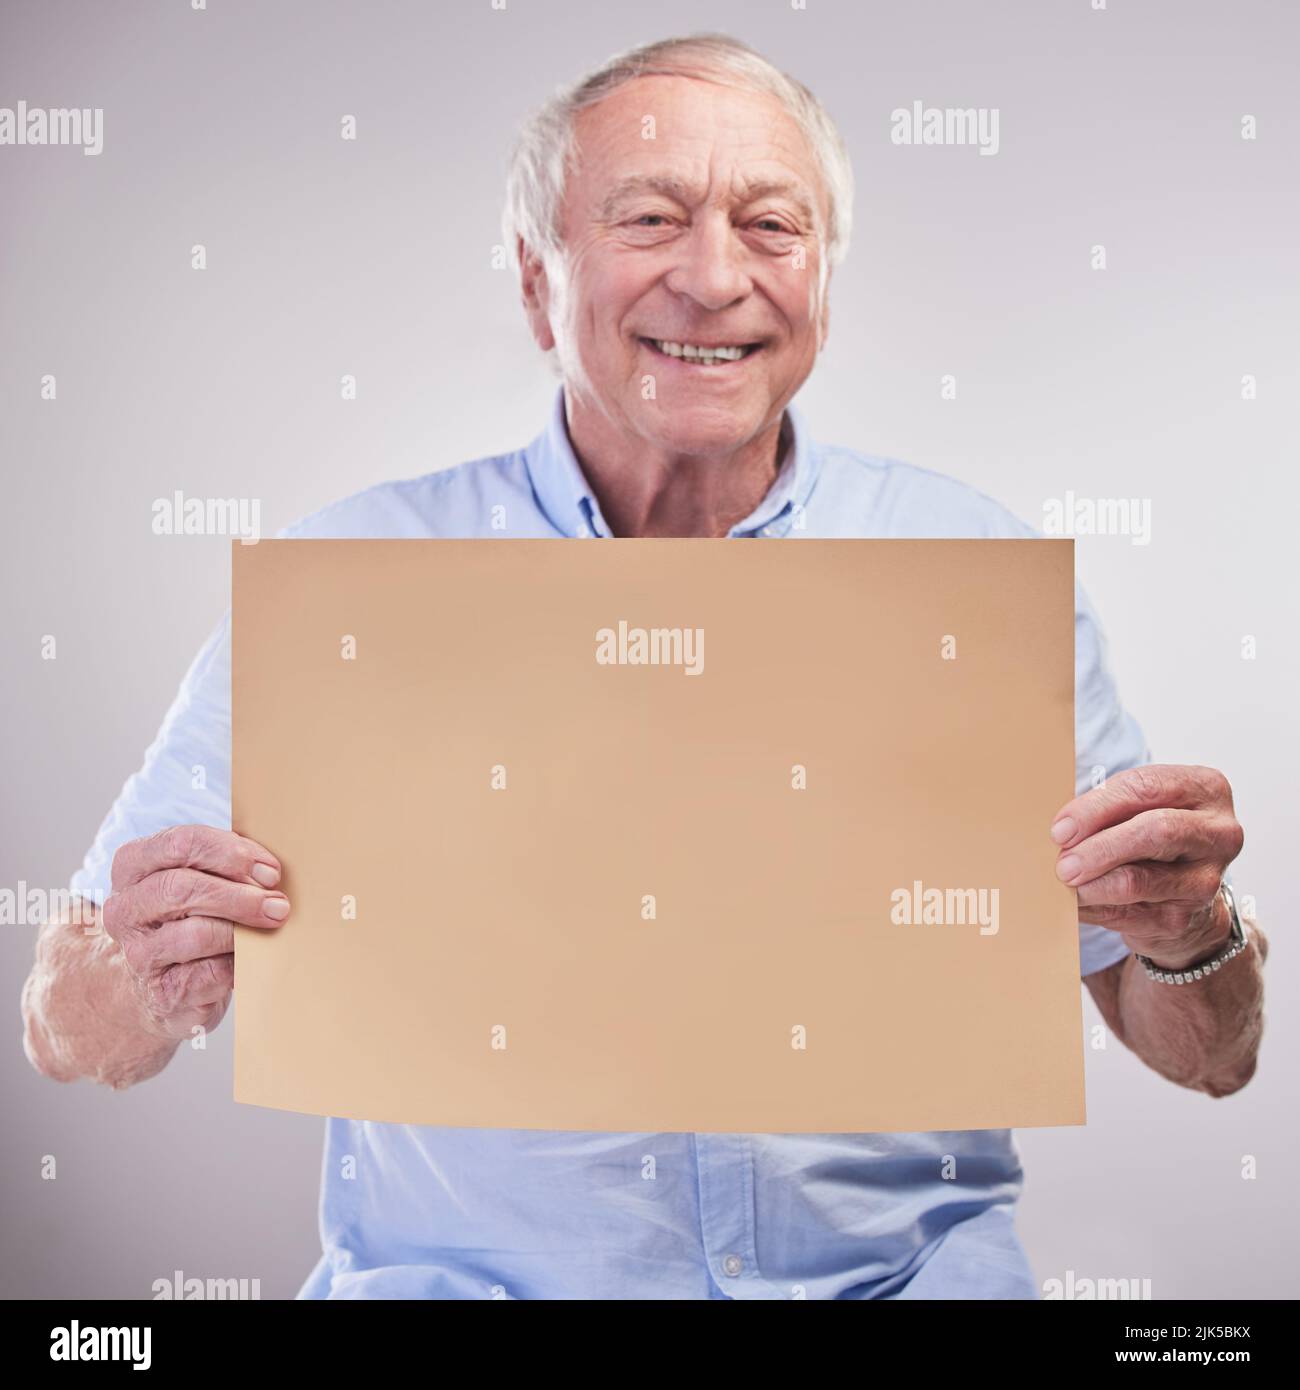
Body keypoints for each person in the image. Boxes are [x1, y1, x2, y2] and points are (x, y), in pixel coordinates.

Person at [21, 34, 1266, 1300]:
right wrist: (146, 961)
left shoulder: (979, 580)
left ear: (824, 283)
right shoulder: (345, 583)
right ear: (532, 280)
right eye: (652, 218)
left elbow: (1210, 1059)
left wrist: (1187, 932)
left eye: (771, 227)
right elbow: (63, 1029)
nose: (715, 277)